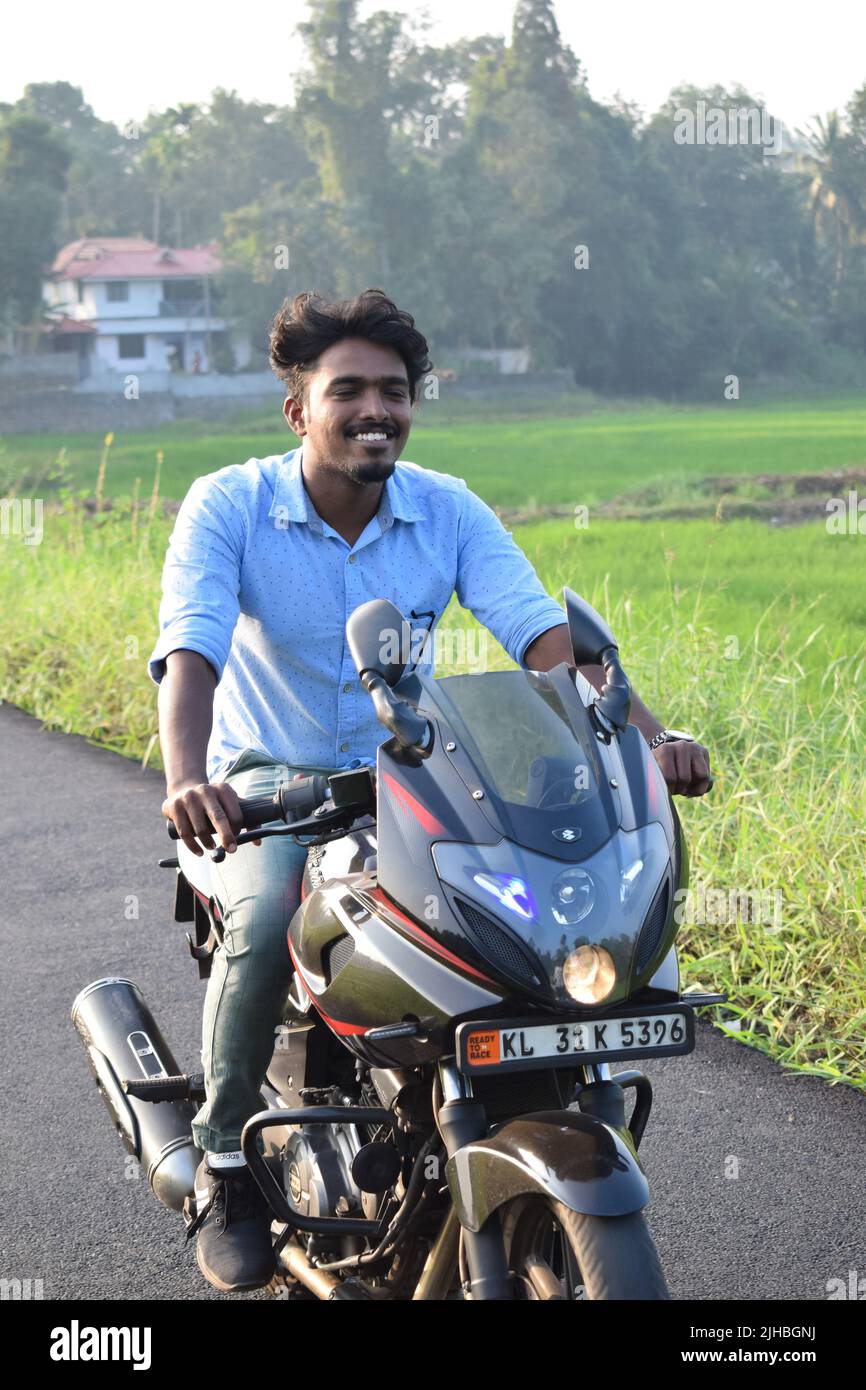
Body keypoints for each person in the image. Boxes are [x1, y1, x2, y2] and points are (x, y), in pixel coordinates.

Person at [147, 287, 711, 1293]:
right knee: (273, 901)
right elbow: (188, 651)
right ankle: (226, 1159)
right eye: (348, 389)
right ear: (298, 411)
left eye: (395, 392)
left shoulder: (444, 508)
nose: (376, 409)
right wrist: (189, 777)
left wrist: (651, 738)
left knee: (502, 921)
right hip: (262, 788)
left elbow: (544, 642)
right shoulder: (229, 503)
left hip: (407, 780)